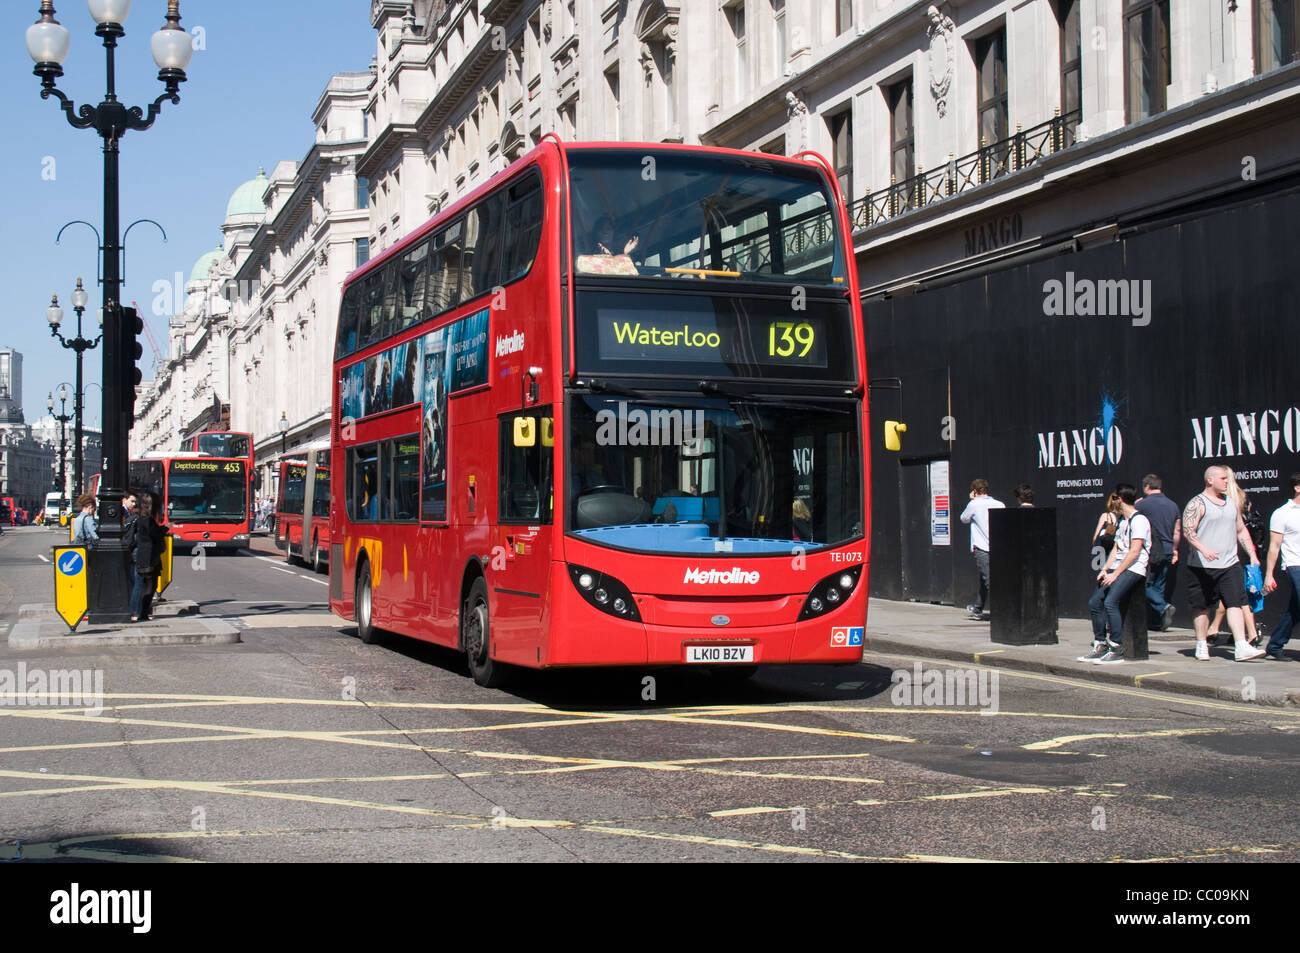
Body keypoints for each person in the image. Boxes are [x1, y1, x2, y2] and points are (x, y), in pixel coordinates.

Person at [1182, 465, 1264, 661]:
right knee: (1202, 606)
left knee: (1235, 603)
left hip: (1230, 563)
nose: (1227, 482)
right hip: (1201, 566)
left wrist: (1252, 554)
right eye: (1222, 478)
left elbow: (1241, 529)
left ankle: (1241, 645)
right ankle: (1201, 644)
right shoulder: (1197, 503)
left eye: (1227, 479)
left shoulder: (1230, 503)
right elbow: (1188, 530)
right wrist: (1204, 548)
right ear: (1210, 480)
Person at [1079, 483, 1151, 663]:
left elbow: (1134, 552)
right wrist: (1105, 569)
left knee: (1111, 602)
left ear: (1120, 499)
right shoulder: (1123, 522)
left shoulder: (1139, 520)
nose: (1112, 501)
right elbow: (1117, 549)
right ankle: (1100, 643)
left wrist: (1115, 574)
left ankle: (1117, 647)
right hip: (1118, 567)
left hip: (1134, 568)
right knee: (1095, 602)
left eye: (1114, 498)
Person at [1206, 469, 1264, 646]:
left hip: (1230, 550)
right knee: (1237, 594)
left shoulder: (1225, 500)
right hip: (1240, 550)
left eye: (1224, 478)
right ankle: (1221, 629)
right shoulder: (1241, 496)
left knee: (1237, 595)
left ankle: (1250, 633)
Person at [1135, 474, 1181, 631]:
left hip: (1151, 551)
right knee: (1159, 586)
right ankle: (1157, 621)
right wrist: (1174, 550)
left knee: (1142, 583)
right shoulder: (1173, 505)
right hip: (1168, 550)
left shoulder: (1142, 506)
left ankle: (1163, 607)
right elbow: (1177, 530)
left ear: (1147, 487)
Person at [1262, 471, 1300, 661]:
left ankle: (1275, 644)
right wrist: (1269, 574)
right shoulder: (1282, 513)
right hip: (1295, 565)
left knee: (1296, 609)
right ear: (1297, 488)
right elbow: (1274, 547)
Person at [960, 478, 1004, 620]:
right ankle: (978, 608)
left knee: (989, 579)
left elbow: (964, 519)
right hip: (998, 546)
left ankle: (1002, 610)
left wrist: (971, 500)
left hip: (981, 546)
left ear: (974, 490)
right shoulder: (999, 504)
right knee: (984, 578)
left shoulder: (973, 504)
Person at [129, 493, 168, 623]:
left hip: (145, 556)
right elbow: (153, 535)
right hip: (147, 557)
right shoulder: (146, 520)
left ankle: (141, 612)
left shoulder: (141, 518)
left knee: (146, 584)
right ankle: (139, 612)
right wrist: (165, 529)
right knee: (146, 585)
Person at [1092, 492, 1122, 561]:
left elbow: (1096, 537)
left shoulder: (1106, 516)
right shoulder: (1125, 518)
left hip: (1106, 554)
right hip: (1120, 555)